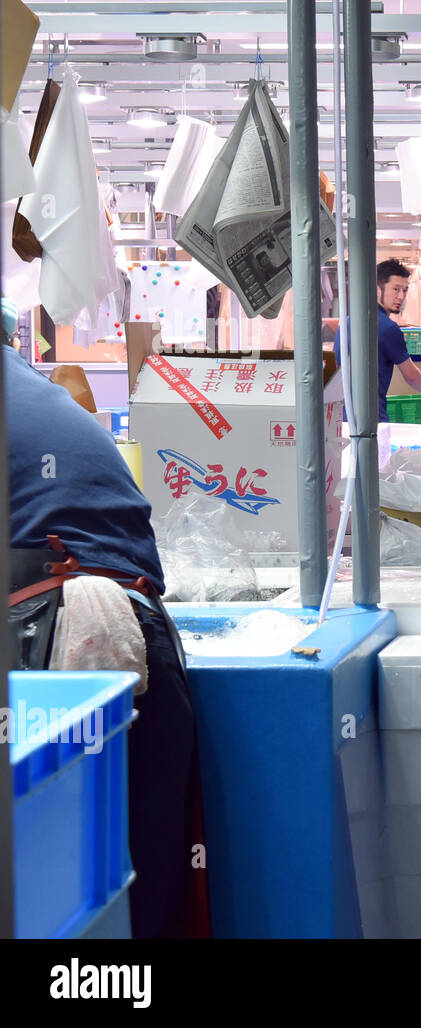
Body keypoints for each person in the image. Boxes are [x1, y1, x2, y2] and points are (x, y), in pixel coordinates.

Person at [4, 345, 210, 938]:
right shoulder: (27, 385)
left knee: (62, 899)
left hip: (54, 639)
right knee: (139, 890)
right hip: (140, 633)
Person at [333, 258, 421, 421]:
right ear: (377, 289)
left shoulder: (348, 321)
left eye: (405, 290)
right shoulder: (387, 328)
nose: (401, 296)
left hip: (340, 417)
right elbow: (410, 374)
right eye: (396, 289)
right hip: (370, 419)